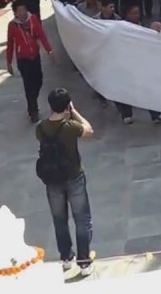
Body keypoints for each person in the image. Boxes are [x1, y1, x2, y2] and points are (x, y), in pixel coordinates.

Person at [36, 89, 95, 278]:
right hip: (73, 177)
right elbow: (89, 130)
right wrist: (75, 112)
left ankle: (66, 258)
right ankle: (84, 262)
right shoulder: (70, 127)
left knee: (59, 220)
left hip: (52, 179)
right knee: (82, 220)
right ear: (67, 105)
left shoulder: (41, 127)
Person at [6, 1, 56, 123]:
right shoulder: (12, 26)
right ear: (15, 13)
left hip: (35, 56)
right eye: (19, 11)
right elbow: (10, 44)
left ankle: (32, 102)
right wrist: (8, 62)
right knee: (28, 85)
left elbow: (42, 35)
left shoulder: (33, 19)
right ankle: (33, 110)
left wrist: (49, 51)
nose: (22, 13)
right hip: (23, 59)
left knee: (38, 81)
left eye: (23, 9)